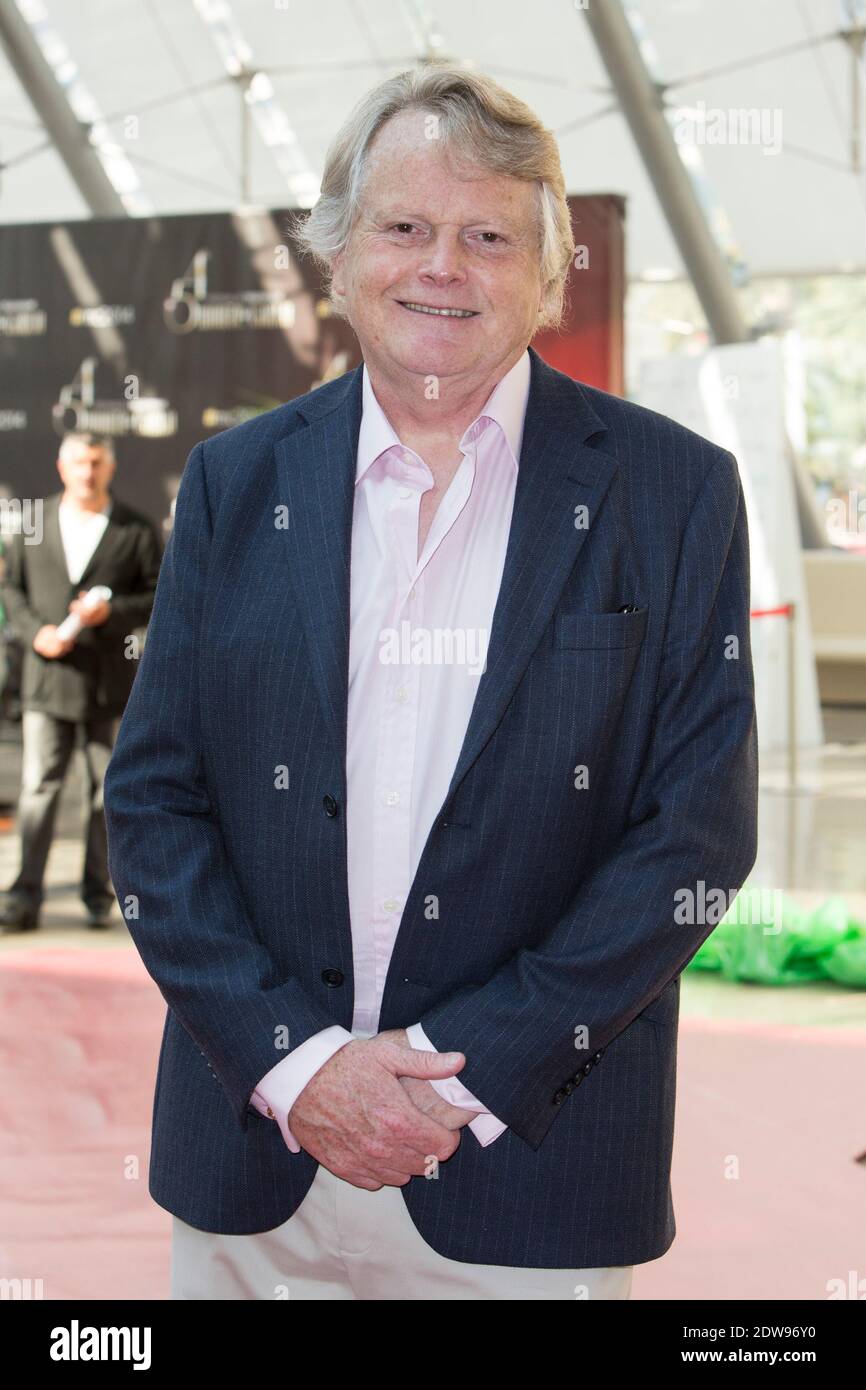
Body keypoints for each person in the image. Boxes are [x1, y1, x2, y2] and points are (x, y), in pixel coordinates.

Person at [103, 66, 758, 1300]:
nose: (440, 266)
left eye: (487, 235)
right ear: (340, 257)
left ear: (550, 272)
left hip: (528, 1171)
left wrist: (457, 1079)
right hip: (254, 1155)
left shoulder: (672, 495)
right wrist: (298, 1068)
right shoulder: (235, 485)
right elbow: (151, 808)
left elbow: (693, 839)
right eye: (404, 227)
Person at [0, 432, 163, 932]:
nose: (87, 472)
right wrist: (36, 634)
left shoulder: (135, 529)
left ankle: (98, 894)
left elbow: (158, 594)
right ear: (60, 465)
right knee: (39, 790)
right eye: (78, 462)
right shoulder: (36, 525)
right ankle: (24, 897)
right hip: (46, 683)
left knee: (103, 795)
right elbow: (12, 588)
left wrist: (110, 611)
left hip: (109, 687)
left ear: (109, 468)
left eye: (95, 462)